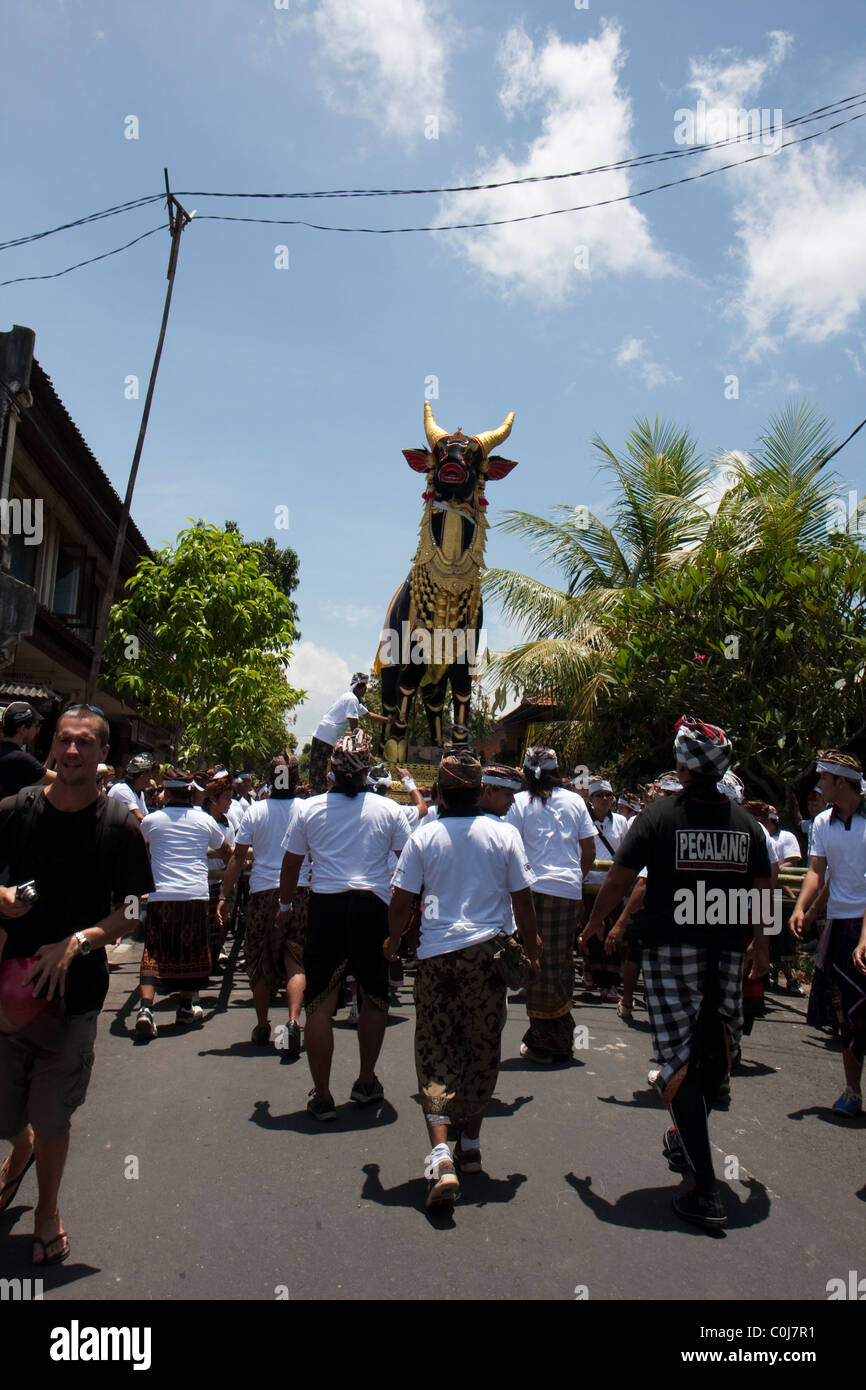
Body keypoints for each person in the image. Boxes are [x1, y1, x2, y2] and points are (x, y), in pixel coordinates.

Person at [581, 717, 772, 1231]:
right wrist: (762, 947)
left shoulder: (659, 816)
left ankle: (704, 1188)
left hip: (671, 952)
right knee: (712, 1054)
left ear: (683, 766)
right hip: (728, 953)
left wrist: (597, 923)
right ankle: (685, 1142)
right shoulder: (748, 827)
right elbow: (764, 891)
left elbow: (620, 879)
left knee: (678, 1057)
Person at [0, 703, 153, 1265]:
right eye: (64, 740)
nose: (71, 751)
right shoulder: (15, 812)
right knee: (6, 1116)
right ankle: (20, 1152)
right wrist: (5, 901)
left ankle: (47, 1211)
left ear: (102, 752)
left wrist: (83, 940)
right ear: (51, 744)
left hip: (75, 999)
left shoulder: (120, 825)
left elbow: (134, 910)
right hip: (8, 990)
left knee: (52, 1114)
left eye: (84, 743)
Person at [387, 752, 540, 1208]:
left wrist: (392, 941)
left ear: (439, 793)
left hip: (437, 958)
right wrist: (532, 948)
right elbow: (524, 898)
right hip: (489, 957)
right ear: (478, 792)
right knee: (481, 1045)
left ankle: (441, 1155)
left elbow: (401, 898)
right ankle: (469, 1146)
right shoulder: (504, 834)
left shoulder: (425, 835)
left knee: (435, 1049)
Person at [278, 730, 410, 1119]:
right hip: (374, 909)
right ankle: (366, 1080)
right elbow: (407, 864)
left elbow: (291, 864)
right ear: (367, 769)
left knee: (321, 1003)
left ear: (331, 771)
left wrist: (284, 906)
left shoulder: (308, 808)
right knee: (374, 998)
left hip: (326, 907)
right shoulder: (389, 810)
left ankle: (322, 1095)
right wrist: (403, 920)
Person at [506, 747, 596, 1063]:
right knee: (559, 962)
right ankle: (556, 1032)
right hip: (568, 890)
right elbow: (588, 850)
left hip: (530, 890)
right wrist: (574, 878)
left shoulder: (517, 803)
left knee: (535, 960)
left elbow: (511, 850)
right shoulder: (576, 801)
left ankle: (549, 1038)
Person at [790, 750, 866, 1117]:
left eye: (823, 778)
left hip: (863, 925)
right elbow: (818, 871)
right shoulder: (822, 822)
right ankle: (852, 1090)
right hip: (840, 924)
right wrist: (803, 907)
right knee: (847, 1013)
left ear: (841, 782)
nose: (818, 785)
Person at [218, 755, 307, 1054]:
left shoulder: (255, 811)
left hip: (262, 894)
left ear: (270, 779)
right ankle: (293, 1021)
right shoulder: (306, 810)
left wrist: (224, 896)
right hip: (300, 892)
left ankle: (262, 1024)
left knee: (258, 959)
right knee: (294, 956)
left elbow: (237, 857)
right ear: (295, 780)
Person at [135, 768, 232, 1038]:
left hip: (160, 895)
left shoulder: (151, 821)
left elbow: (138, 853)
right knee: (192, 952)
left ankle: (145, 1009)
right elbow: (226, 852)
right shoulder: (204, 821)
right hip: (194, 895)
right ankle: (186, 1006)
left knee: (153, 951)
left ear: (166, 793)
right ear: (190, 792)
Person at [582, 778, 631, 1003]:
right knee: (591, 933)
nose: (604, 800)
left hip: (612, 887)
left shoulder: (621, 821)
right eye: (599, 795)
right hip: (588, 883)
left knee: (612, 934)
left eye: (607, 795)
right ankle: (591, 971)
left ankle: (609, 984)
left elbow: (626, 850)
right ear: (591, 799)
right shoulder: (583, 820)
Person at [308, 674, 389, 795]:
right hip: (324, 738)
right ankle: (316, 798)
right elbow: (354, 726)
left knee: (329, 771)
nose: (366, 690)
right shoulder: (351, 699)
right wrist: (363, 750)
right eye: (365, 687)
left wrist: (389, 721)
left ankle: (324, 795)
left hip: (328, 738)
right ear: (359, 687)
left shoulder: (353, 699)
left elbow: (369, 715)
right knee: (318, 774)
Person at [0, 702, 55, 797]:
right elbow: (60, 779)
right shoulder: (20, 759)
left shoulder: (7, 753)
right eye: (36, 726)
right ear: (23, 729)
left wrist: (53, 751)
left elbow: (39, 774)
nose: (37, 731)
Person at [107, 753, 155, 823]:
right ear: (142, 775)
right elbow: (140, 819)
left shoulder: (139, 793)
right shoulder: (122, 790)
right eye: (149, 773)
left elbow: (145, 816)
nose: (151, 776)